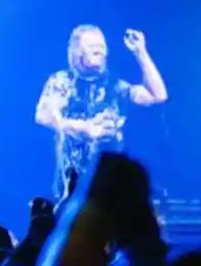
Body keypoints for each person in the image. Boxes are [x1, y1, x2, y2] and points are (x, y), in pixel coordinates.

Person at [34, 25, 168, 197]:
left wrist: (140, 53)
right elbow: (43, 116)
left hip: (111, 186)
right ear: (76, 51)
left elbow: (158, 96)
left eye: (102, 46)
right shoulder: (62, 81)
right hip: (72, 186)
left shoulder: (116, 86)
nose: (100, 51)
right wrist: (84, 128)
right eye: (92, 47)